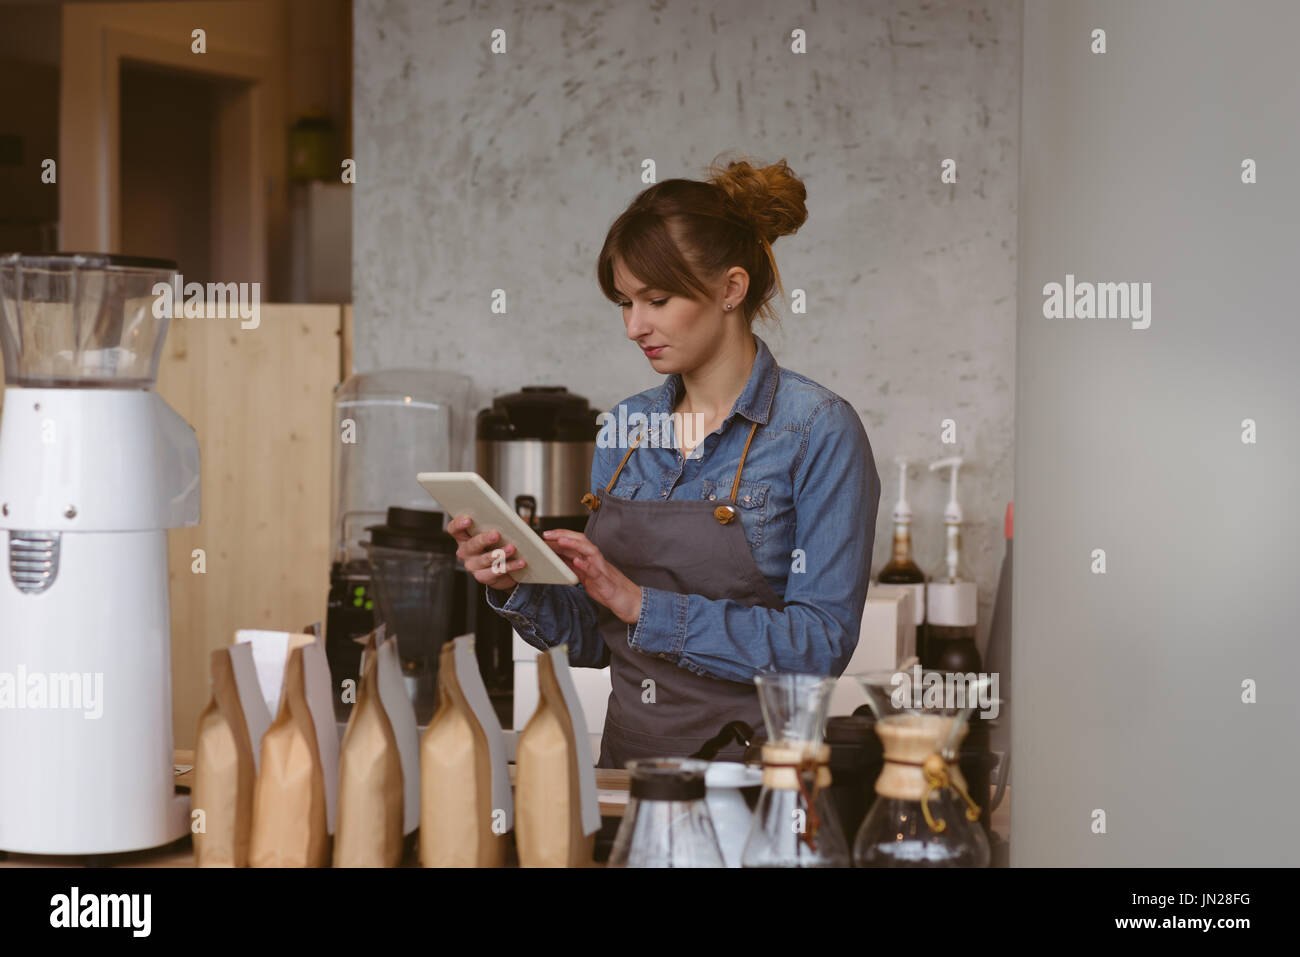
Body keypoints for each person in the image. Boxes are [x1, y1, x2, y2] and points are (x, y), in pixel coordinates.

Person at [448, 155, 881, 768]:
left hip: (761, 781)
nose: (634, 326)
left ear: (731, 289)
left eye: (656, 299)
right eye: (624, 303)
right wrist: (518, 582)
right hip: (629, 775)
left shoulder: (817, 430)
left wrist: (639, 605)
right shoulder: (625, 428)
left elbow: (819, 647)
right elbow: (601, 636)